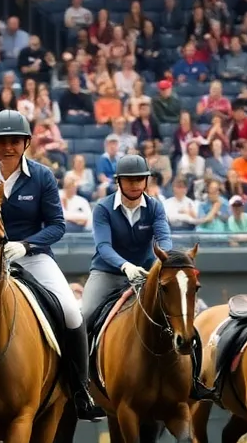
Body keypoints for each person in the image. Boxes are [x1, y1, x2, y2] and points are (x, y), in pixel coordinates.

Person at [0, 110, 105, 421]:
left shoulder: (42, 176)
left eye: (14, 141)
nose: (8, 147)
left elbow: (57, 226)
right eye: (1, 142)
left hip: (33, 256)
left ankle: (79, 390)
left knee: (72, 313)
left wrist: (25, 245)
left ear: (26, 143)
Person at [78, 155, 214, 401]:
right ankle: (82, 386)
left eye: (140, 179)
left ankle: (193, 382)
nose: (135, 184)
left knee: (181, 321)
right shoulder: (103, 208)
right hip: (107, 272)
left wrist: (159, 266)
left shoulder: (155, 207)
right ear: (118, 182)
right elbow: (104, 247)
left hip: (147, 274)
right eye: (129, 180)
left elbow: (164, 241)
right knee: (85, 316)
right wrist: (125, 266)